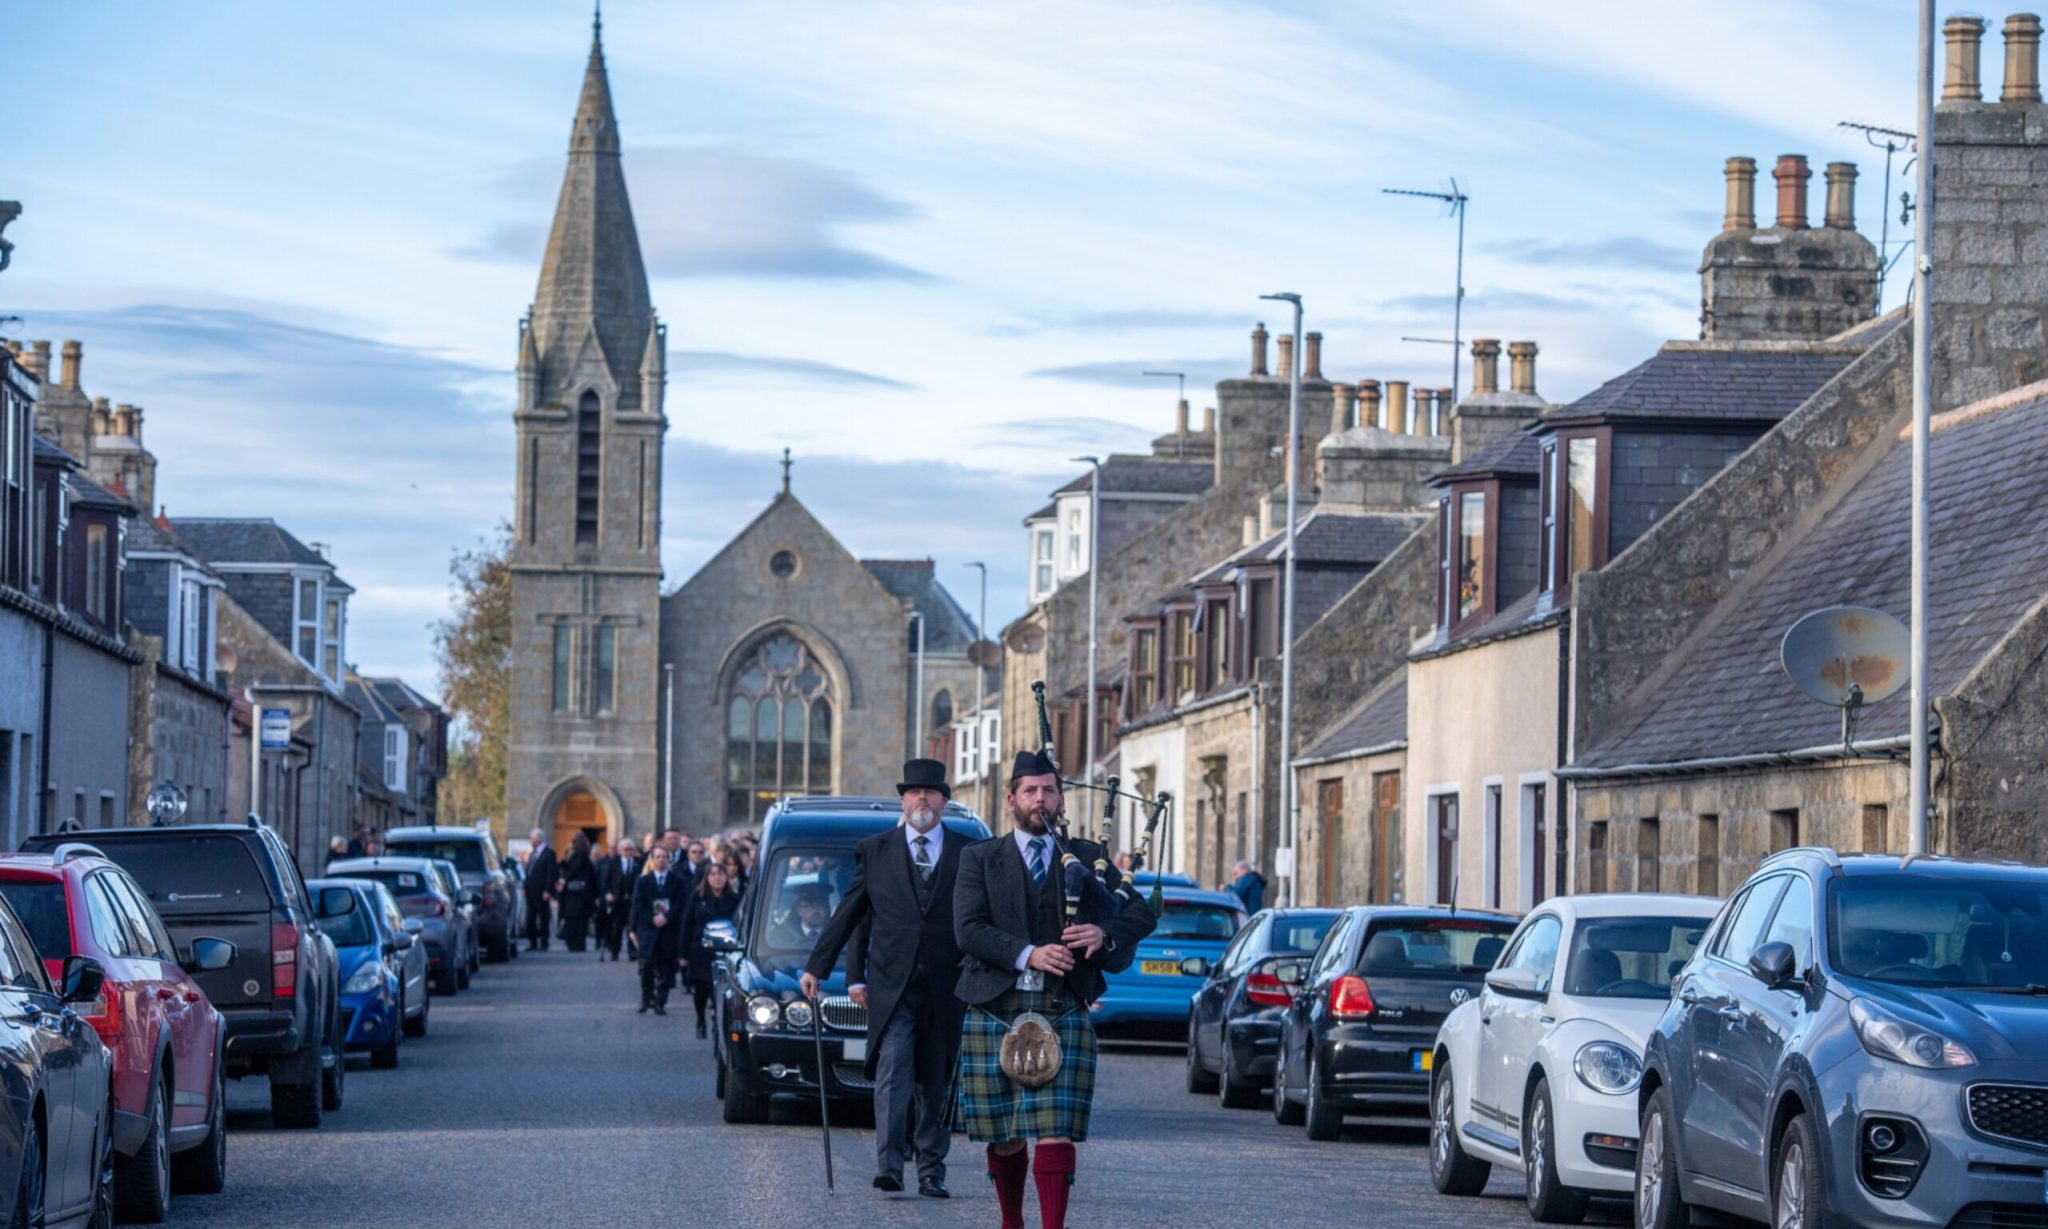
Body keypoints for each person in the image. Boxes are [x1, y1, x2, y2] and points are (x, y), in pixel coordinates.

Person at [953, 750, 1157, 1229]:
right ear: (1012, 800)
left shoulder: (1088, 858)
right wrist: (1029, 953)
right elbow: (968, 929)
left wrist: (1103, 933)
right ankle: (1011, 1221)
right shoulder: (979, 858)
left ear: (1061, 799)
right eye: (1030, 791)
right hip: (997, 1004)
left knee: (1055, 1127)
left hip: (1064, 1005)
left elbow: (1140, 913)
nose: (1040, 799)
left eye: (1049, 790)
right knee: (1005, 1132)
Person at [800, 759, 967, 1198]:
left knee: (936, 1081)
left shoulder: (968, 851)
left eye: (930, 792)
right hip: (894, 987)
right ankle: (890, 1165)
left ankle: (931, 1171)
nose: (922, 799)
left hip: (948, 987)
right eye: (914, 792)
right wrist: (818, 966)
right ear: (903, 801)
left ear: (944, 801)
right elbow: (851, 913)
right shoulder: (875, 850)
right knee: (893, 1072)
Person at [680, 859, 742, 1038]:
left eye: (720, 874)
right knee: (700, 992)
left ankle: (717, 1021)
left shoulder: (734, 900)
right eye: (713, 875)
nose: (717, 878)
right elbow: (687, 925)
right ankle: (701, 1019)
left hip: (723, 953)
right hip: (700, 952)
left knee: (719, 992)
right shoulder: (697, 898)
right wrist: (682, 954)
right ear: (707, 878)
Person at [630, 845, 691, 1014]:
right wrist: (652, 918)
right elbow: (638, 904)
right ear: (652, 860)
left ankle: (660, 1001)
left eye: (664, 857)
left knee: (666, 968)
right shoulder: (643, 881)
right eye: (658, 857)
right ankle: (646, 998)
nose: (661, 860)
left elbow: (680, 903)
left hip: (668, 930)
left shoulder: (677, 881)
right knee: (646, 967)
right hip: (648, 929)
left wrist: (666, 917)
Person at [595, 838, 640, 961]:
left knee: (632, 927)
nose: (628, 852)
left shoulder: (638, 863)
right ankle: (615, 951)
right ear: (620, 851)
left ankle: (632, 952)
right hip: (617, 900)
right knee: (616, 927)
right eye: (625, 849)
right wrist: (608, 893)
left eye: (630, 849)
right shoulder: (613, 863)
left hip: (632, 900)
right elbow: (607, 880)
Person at [556, 833, 598, 952]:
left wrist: (564, 879)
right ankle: (577, 943)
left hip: (576, 894)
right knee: (579, 920)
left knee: (575, 920)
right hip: (580, 894)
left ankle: (575, 943)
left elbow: (574, 869)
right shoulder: (583, 854)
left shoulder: (580, 854)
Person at [768, 883, 832, 950]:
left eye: (821, 905)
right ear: (799, 910)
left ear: (827, 909)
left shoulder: (836, 933)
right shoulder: (780, 936)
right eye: (809, 905)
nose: (816, 910)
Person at [524, 830, 558, 951]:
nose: (530, 841)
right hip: (531, 891)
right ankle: (532, 942)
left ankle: (544, 942)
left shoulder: (549, 854)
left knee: (543, 918)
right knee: (530, 918)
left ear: (539, 839)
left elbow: (551, 873)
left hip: (542, 891)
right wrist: (525, 886)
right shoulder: (533, 854)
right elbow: (529, 871)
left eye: (532, 838)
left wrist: (547, 890)